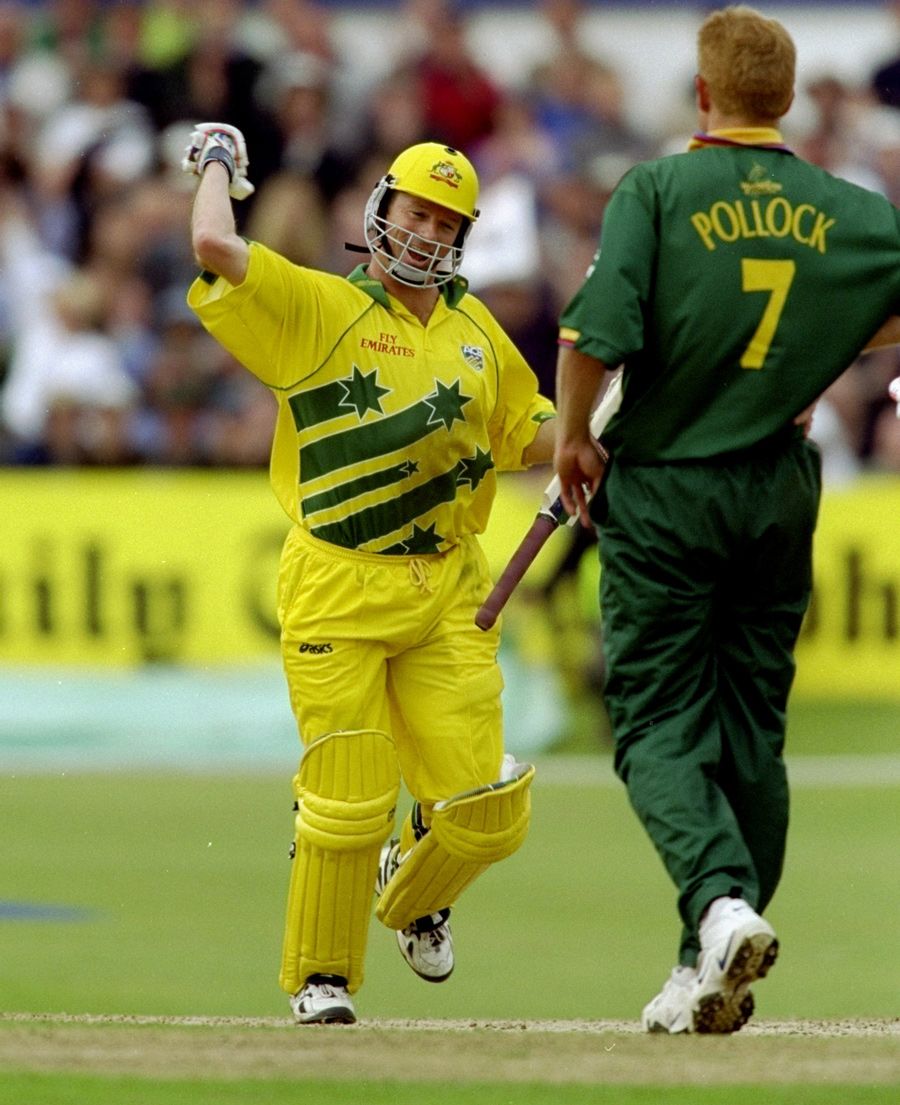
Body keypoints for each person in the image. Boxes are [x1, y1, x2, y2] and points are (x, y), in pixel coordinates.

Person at [552, 5, 900, 1035]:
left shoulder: (657, 189)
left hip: (667, 488)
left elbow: (592, 334)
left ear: (701, 94)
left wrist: (574, 436)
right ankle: (704, 958)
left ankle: (714, 903)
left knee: (658, 721)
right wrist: (814, 348)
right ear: (785, 100)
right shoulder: (855, 209)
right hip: (780, 487)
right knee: (753, 730)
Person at [183, 124, 556, 1024]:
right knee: (349, 798)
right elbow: (211, 246)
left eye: (443, 222)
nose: (425, 233)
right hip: (337, 583)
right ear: (381, 211)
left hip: (448, 591)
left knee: (489, 806)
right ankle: (322, 978)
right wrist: (218, 165)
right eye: (413, 212)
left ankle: (413, 886)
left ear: (461, 241)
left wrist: (591, 445)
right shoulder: (319, 307)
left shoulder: (477, 332)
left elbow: (534, 433)